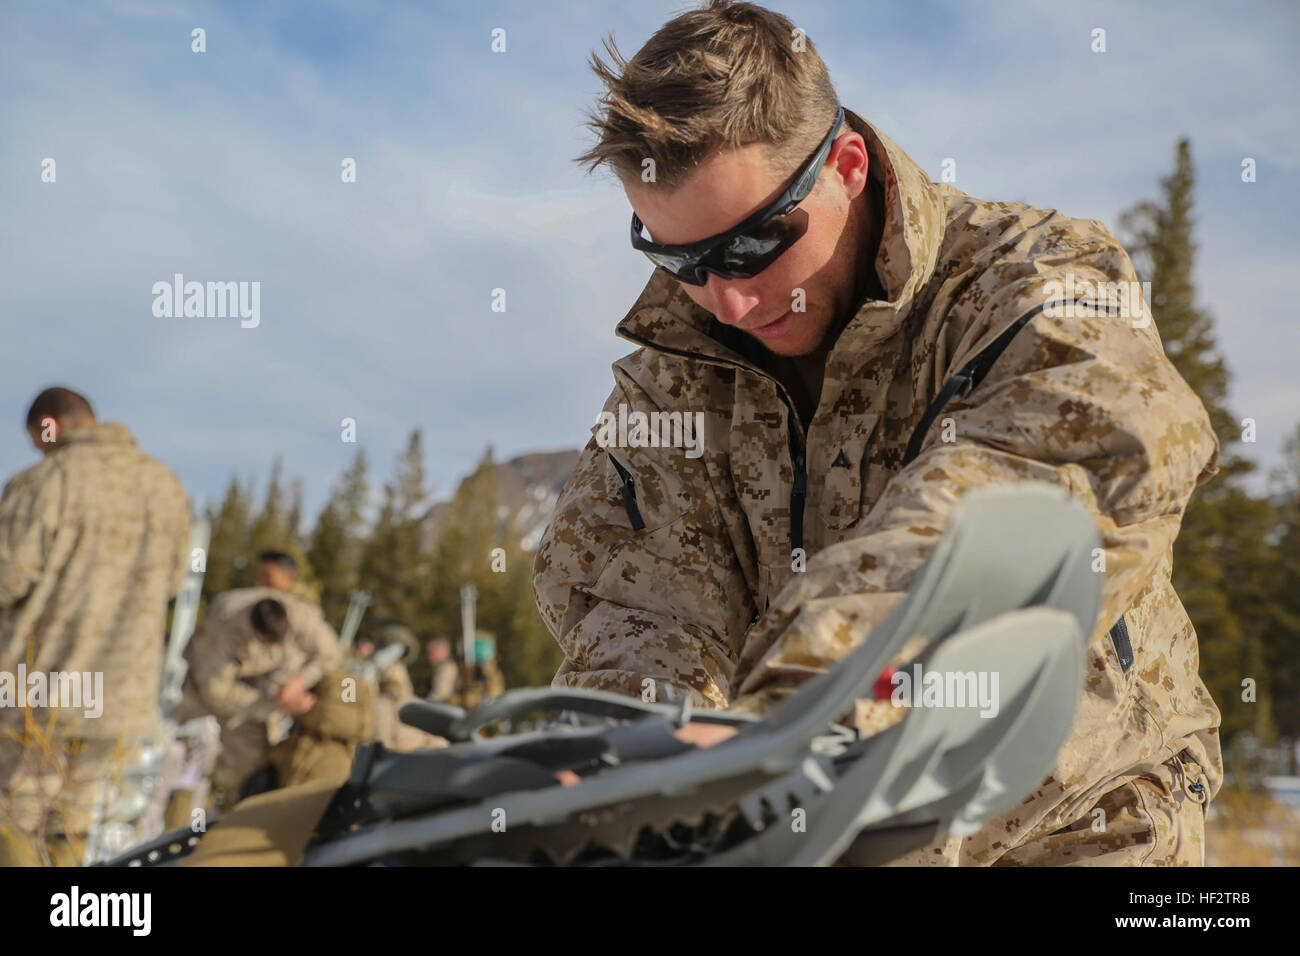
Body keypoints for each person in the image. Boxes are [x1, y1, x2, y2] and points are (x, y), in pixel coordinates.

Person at [534, 0, 1221, 865]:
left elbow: (1045, 487)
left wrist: (812, 703)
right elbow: (644, 607)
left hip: (1081, 824)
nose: (729, 301)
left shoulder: (1033, 280)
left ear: (846, 165)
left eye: (754, 247)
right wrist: (630, 774)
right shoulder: (674, 375)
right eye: (679, 261)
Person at [0, 387, 191, 865]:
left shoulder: (47, 480)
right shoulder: (164, 485)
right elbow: (171, 581)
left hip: (39, 688)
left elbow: (7, 577)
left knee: (14, 815)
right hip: (118, 696)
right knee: (74, 819)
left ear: (50, 426)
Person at [179, 592, 342, 811]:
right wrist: (276, 705)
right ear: (250, 625)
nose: (273, 648)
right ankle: (210, 808)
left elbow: (331, 655)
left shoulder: (299, 616)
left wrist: (299, 683)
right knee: (226, 765)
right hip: (213, 695)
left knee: (266, 760)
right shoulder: (222, 630)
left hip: (267, 690)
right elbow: (218, 694)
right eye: (266, 642)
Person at [426, 637, 460, 704]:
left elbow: (441, 693)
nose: (429, 656)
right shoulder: (445, 667)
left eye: (432, 652)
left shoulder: (446, 668)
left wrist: (425, 704)